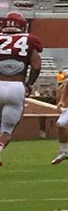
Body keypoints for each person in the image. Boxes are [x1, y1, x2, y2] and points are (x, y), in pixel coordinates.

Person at [0, 11, 42, 166]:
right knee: (8, 127)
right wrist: (29, 84)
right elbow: (36, 66)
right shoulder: (29, 39)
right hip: (16, 87)